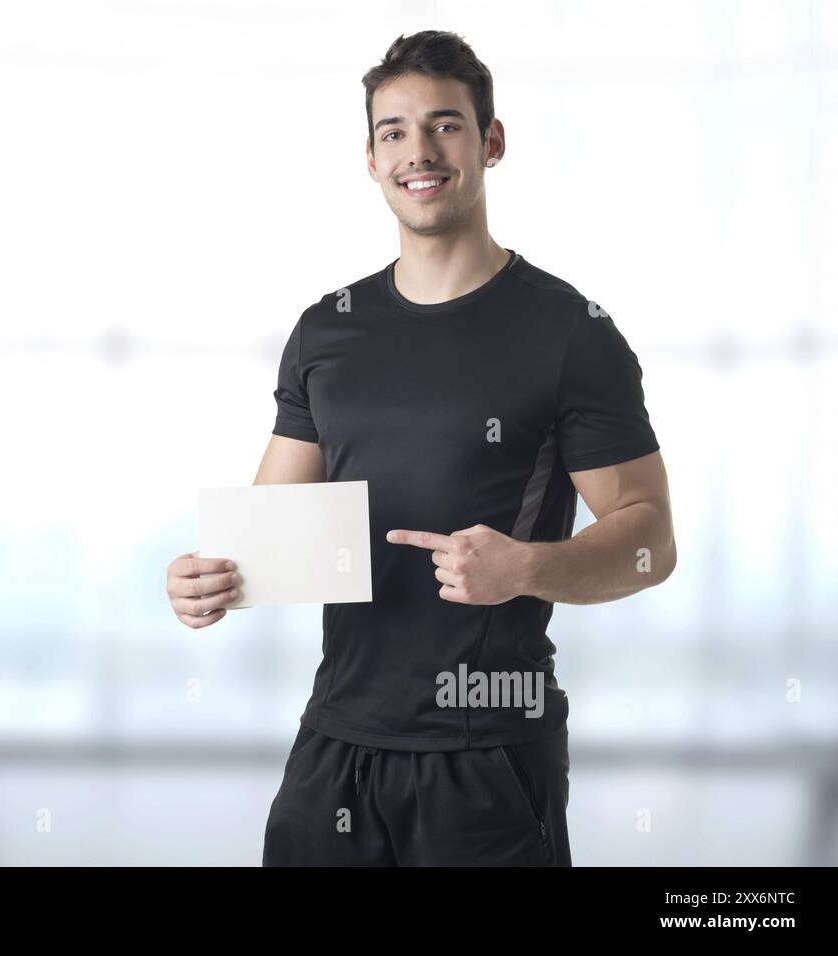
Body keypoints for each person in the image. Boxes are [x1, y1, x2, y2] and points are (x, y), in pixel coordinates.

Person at [165, 30, 676, 866]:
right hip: (335, 747)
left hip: (488, 754)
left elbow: (652, 542)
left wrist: (523, 569)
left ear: (491, 141)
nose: (419, 151)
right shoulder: (327, 329)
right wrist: (205, 580)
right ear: (369, 158)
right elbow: (265, 528)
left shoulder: (569, 334)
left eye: (444, 125)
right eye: (394, 132)